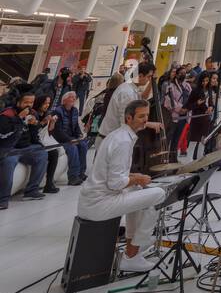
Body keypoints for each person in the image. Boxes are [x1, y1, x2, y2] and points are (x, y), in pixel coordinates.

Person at [78, 100, 167, 273]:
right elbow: (115, 183)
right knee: (158, 194)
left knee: (138, 191)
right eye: (141, 116)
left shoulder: (119, 135)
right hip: (99, 204)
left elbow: (113, 176)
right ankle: (133, 255)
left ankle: (132, 247)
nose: (145, 120)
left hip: (94, 199)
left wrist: (135, 179)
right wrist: (138, 178)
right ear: (128, 118)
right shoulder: (123, 142)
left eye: (147, 116)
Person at [0, 88, 48, 208]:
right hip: (8, 149)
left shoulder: (33, 113)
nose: (29, 105)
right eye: (26, 102)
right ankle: (2, 199)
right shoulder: (7, 114)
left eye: (31, 102)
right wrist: (19, 119)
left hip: (25, 148)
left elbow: (33, 135)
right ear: (18, 102)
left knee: (42, 153)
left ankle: (31, 191)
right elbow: (3, 133)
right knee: (8, 162)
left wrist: (35, 125)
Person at [53, 89, 88, 184]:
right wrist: (70, 140)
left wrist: (80, 135)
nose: (74, 98)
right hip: (61, 138)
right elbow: (57, 131)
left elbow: (75, 126)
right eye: (71, 97)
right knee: (73, 148)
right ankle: (73, 176)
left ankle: (81, 173)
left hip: (72, 137)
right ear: (64, 101)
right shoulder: (58, 111)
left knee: (83, 145)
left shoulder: (75, 110)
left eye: (74, 97)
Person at [32, 93, 61, 194]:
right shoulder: (33, 113)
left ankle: (49, 183)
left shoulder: (46, 113)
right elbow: (33, 131)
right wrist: (43, 122)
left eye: (48, 103)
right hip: (32, 142)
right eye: (45, 103)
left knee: (54, 152)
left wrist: (52, 122)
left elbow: (49, 131)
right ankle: (43, 185)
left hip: (41, 141)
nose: (47, 105)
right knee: (51, 153)